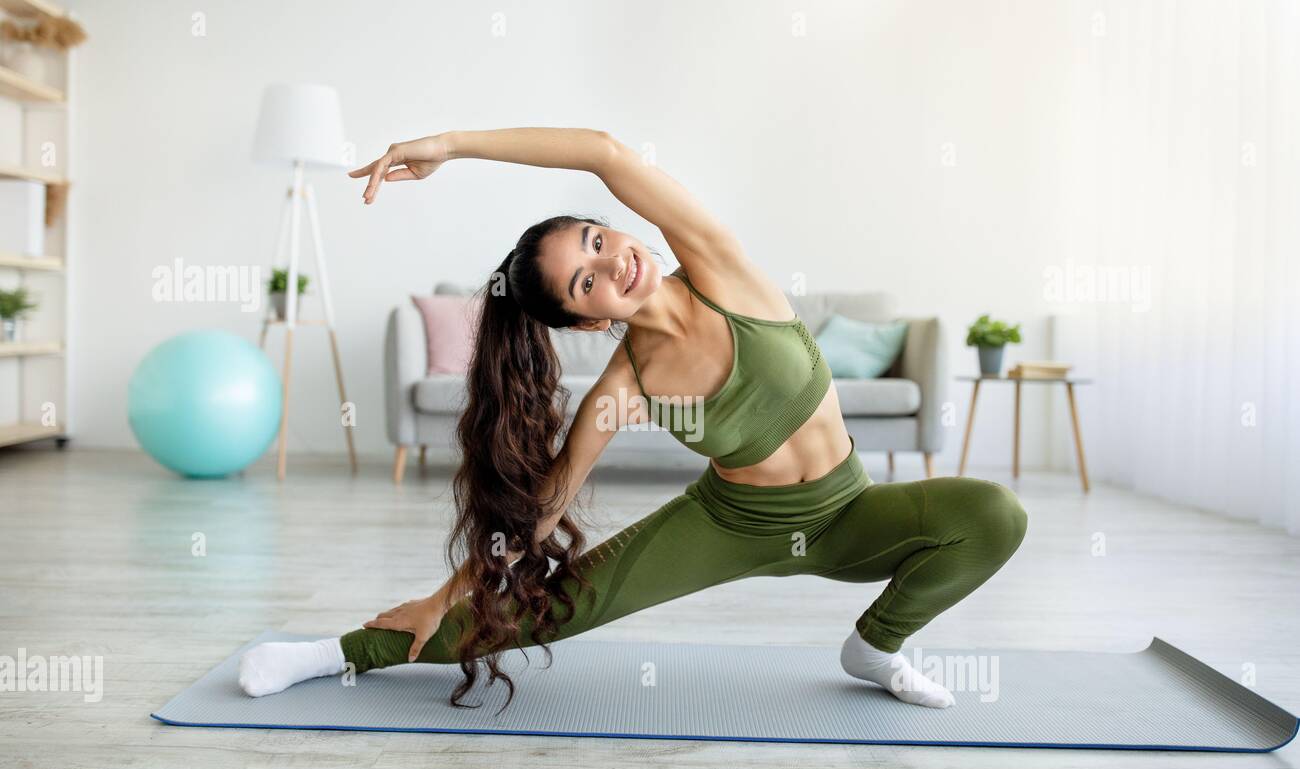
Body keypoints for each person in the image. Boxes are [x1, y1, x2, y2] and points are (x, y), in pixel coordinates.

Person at [237, 127, 1028, 711]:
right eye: (587, 283)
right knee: (547, 611)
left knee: (995, 515)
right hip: (735, 522)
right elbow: (545, 506)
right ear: (586, 322)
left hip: (852, 512)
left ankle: (874, 645)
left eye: (595, 240)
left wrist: (451, 145)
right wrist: (443, 595)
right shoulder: (627, 380)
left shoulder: (721, 267)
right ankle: (327, 654)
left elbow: (605, 154)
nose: (613, 262)